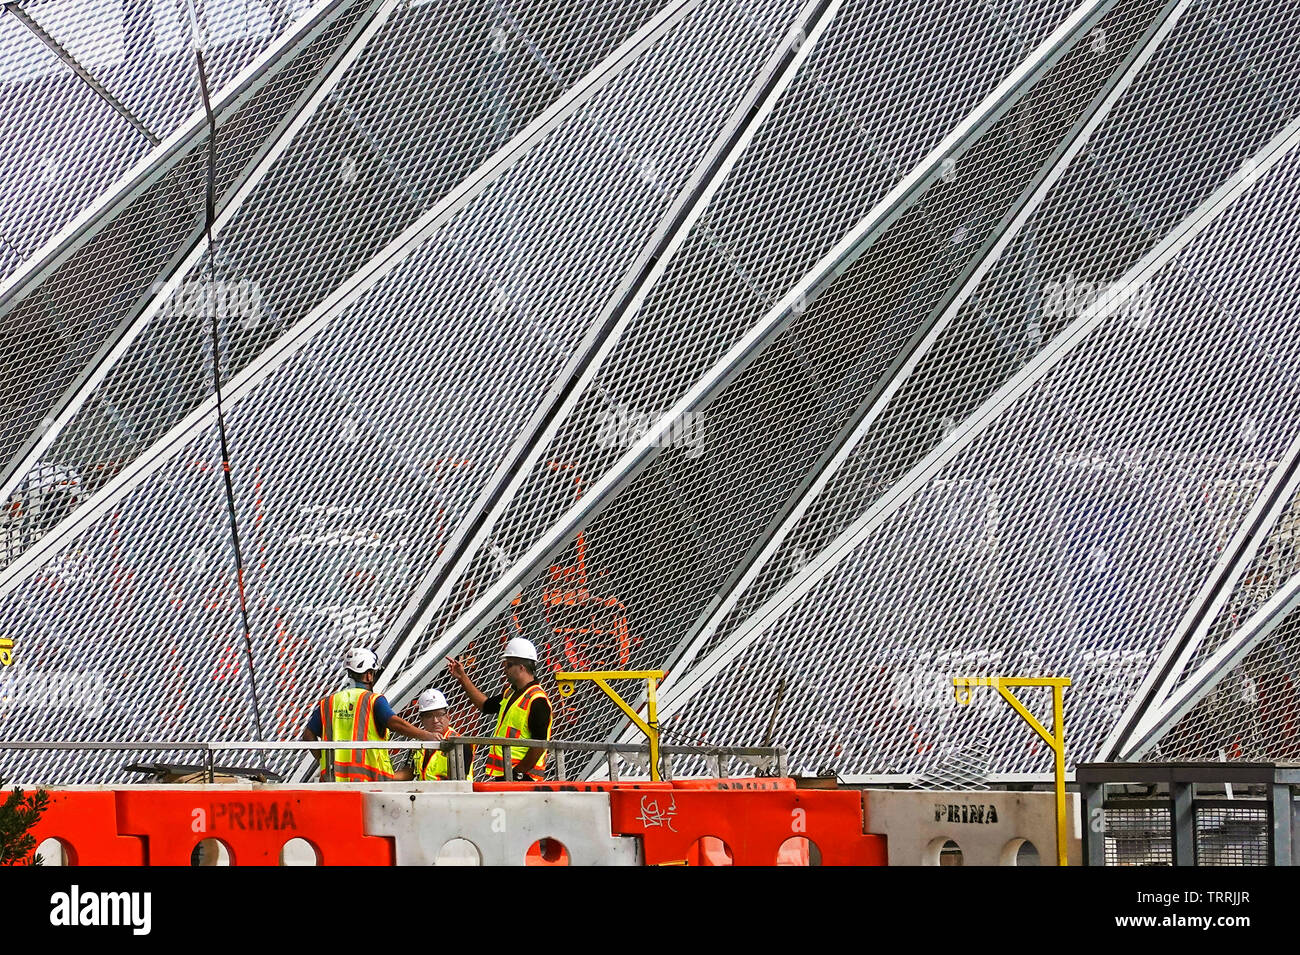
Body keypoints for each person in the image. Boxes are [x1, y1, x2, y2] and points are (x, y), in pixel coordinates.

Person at [301, 647, 438, 781]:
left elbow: (308, 735)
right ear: (369, 675)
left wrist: (324, 760)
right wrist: (426, 735)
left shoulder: (328, 702)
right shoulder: (374, 700)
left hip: (333, 782)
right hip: (370, 784)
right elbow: (395, 723)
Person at [446, 637, 552, 781]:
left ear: (521, 667)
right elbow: (485, 705)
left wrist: (517, 773)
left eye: (507, 665)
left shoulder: (537, 701)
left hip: (523, 778)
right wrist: (462, 677)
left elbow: (540, 746)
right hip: (508, 774)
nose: (504, 669)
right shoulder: (511, 693)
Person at [394, 688, 474, 781]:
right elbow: (409, 772)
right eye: (429, 716)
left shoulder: (459, 743)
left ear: (448, 717)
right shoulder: (418, 743)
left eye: (440, 714)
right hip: (424, 792)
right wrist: (386, 777)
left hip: (451, 793)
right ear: (422, 720)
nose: (435, 721)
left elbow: (458, 780)